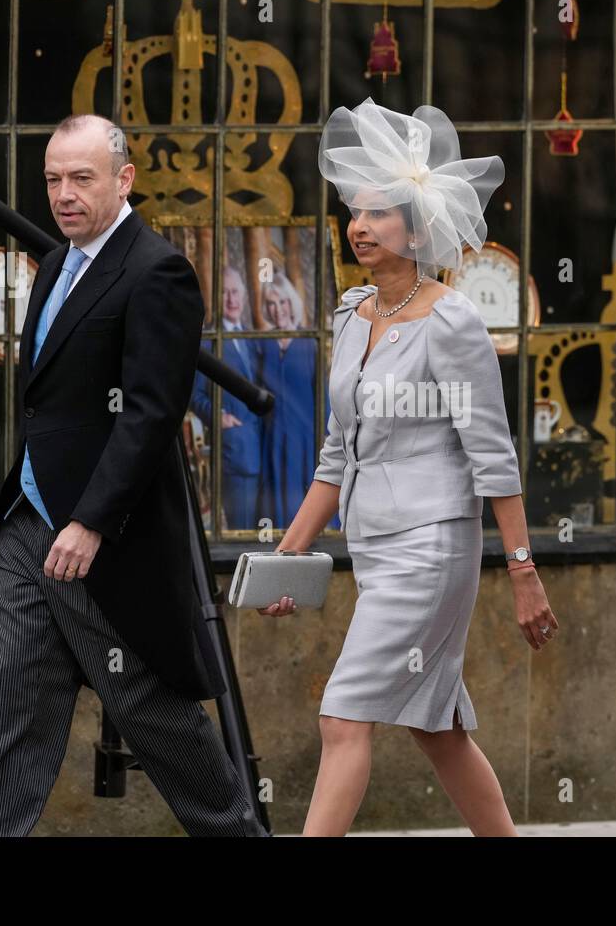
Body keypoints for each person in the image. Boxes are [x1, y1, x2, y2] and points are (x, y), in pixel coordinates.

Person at [0, 114, 265, 837]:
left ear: (124, 179)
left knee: (150, 708)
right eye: (54, 181)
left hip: (102, 537)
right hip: (28, 525)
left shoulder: (155, 269)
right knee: (10, 703)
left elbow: (150, 416)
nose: (64, 195)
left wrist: (92, 520)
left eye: (81, 179)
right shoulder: (58, 263)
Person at [263, 97, 559, 836]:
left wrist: (522, 571)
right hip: (373, 545)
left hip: (431, 549)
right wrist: (287, 555)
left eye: (380, 215)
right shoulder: (352, 313)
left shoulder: (450, 319)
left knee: (343, 714)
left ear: (419, 229)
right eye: (355, 213)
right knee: (437, 728)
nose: (360, 226)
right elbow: (337, 453)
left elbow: (493, 453)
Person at [191, 264, 263, 530]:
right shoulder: (208, 340)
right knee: (241, 532)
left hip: (264, 448)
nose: (231, 299)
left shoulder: (252, 337)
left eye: (235, 292)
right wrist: (219, 417)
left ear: (244, 296)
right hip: (236, 451)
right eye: (225, 293)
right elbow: (194, 395)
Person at [255, 272, 318, 528]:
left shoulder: (309, 341)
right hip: (272, 433)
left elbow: (321, 390)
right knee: (274, 500)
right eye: (271, 303)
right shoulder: (262, 343)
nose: (277, 309)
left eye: (282, 302)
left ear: (291, 303)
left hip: (304, 436)